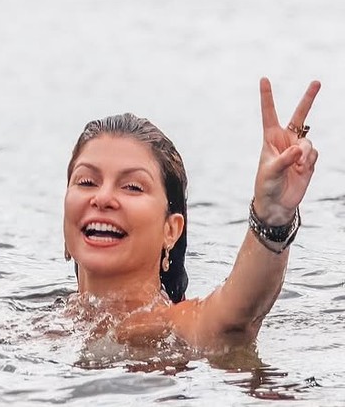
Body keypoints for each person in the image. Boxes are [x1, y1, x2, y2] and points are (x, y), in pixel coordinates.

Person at [62, 77, 319, 351]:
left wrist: (273, 217)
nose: (102, 198)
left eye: (132, 187)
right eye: (87, 182)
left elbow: (234, 320)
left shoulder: (175, 329)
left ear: (171, 230)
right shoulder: (39, 324)